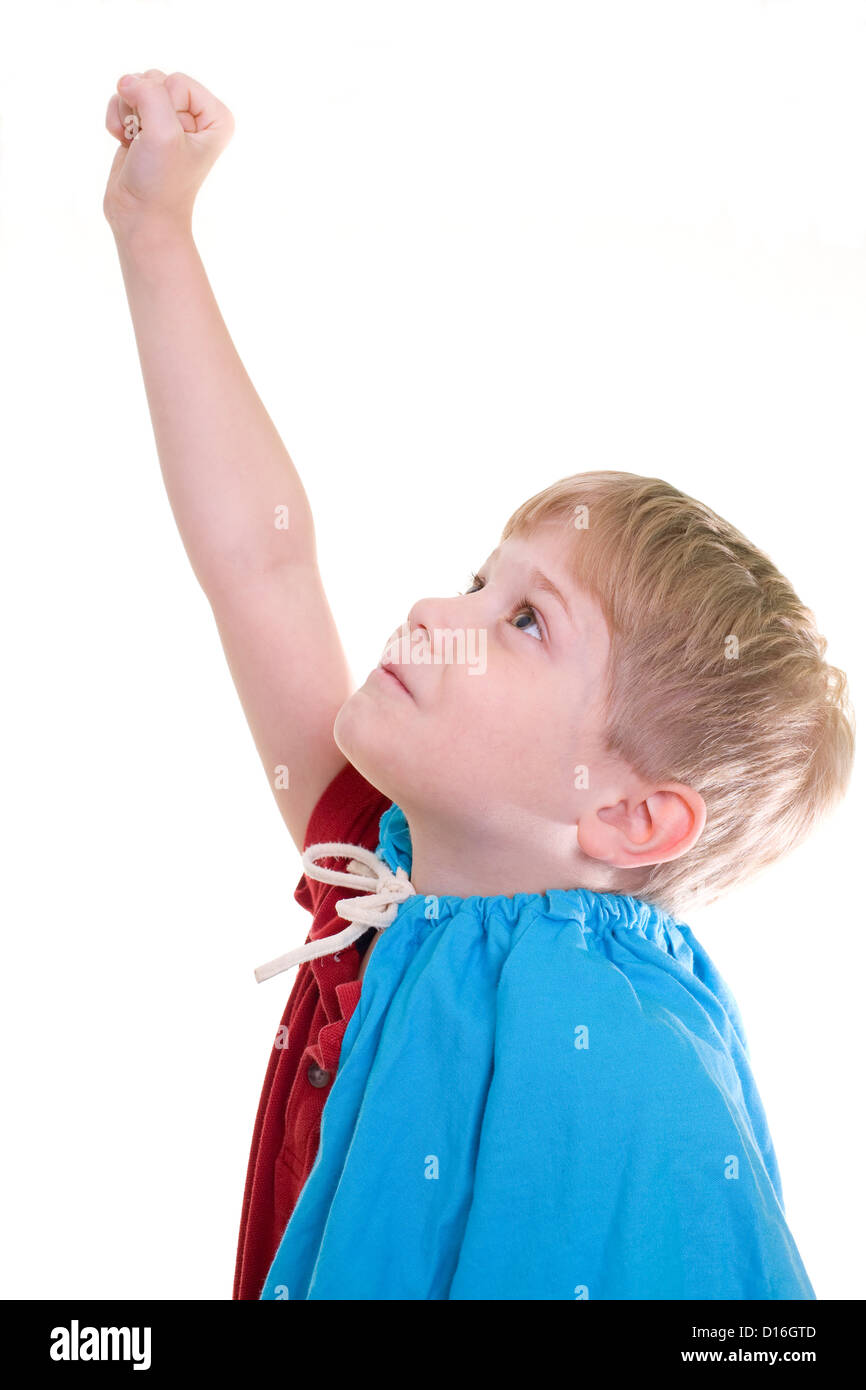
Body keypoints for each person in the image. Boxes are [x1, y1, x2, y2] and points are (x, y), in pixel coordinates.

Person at [104, 71, 855, 1300]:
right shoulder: (381, 879)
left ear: (623, 813)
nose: (432, 618)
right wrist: (154, 233)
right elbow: (262, 566)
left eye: (519, 619)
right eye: (474, 577)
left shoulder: (629, 1069)